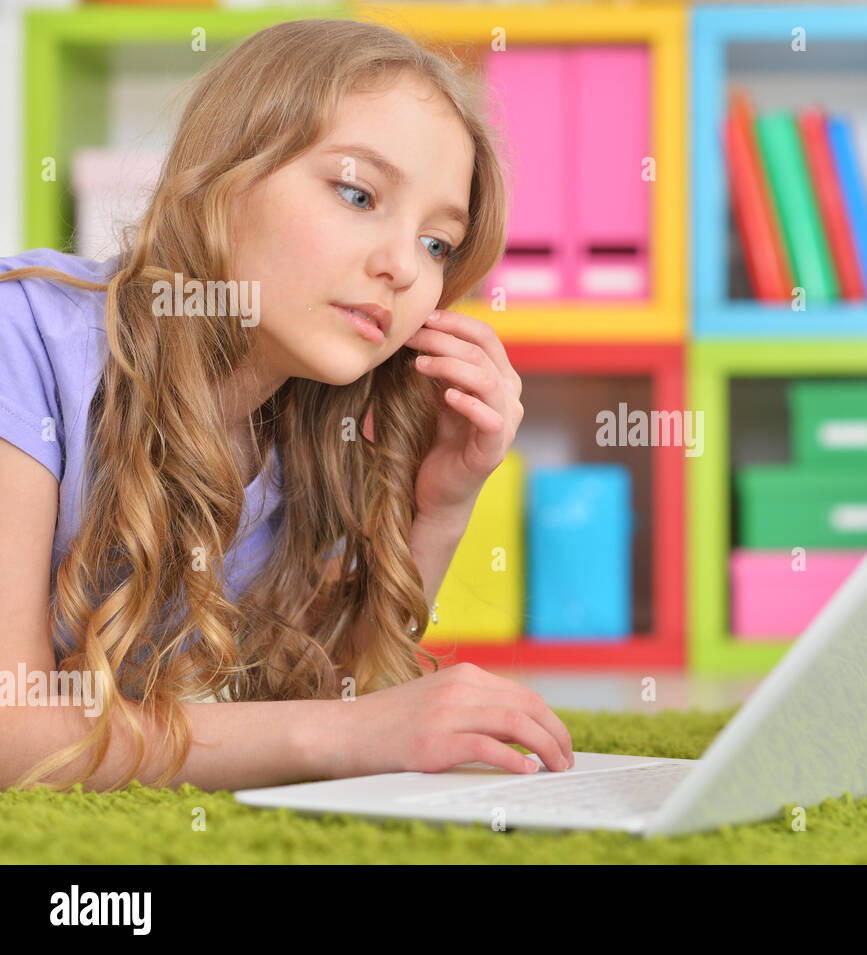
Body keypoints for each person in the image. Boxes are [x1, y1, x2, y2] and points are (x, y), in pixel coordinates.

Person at [0, 18, 573, 793]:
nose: (404, 265)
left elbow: (302, 714)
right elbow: (15, 727)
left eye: (439, 244)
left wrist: (439, 508)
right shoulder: (23, 335)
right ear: (225, 172)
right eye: (358, 192)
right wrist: (348, 730)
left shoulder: (303, 437)